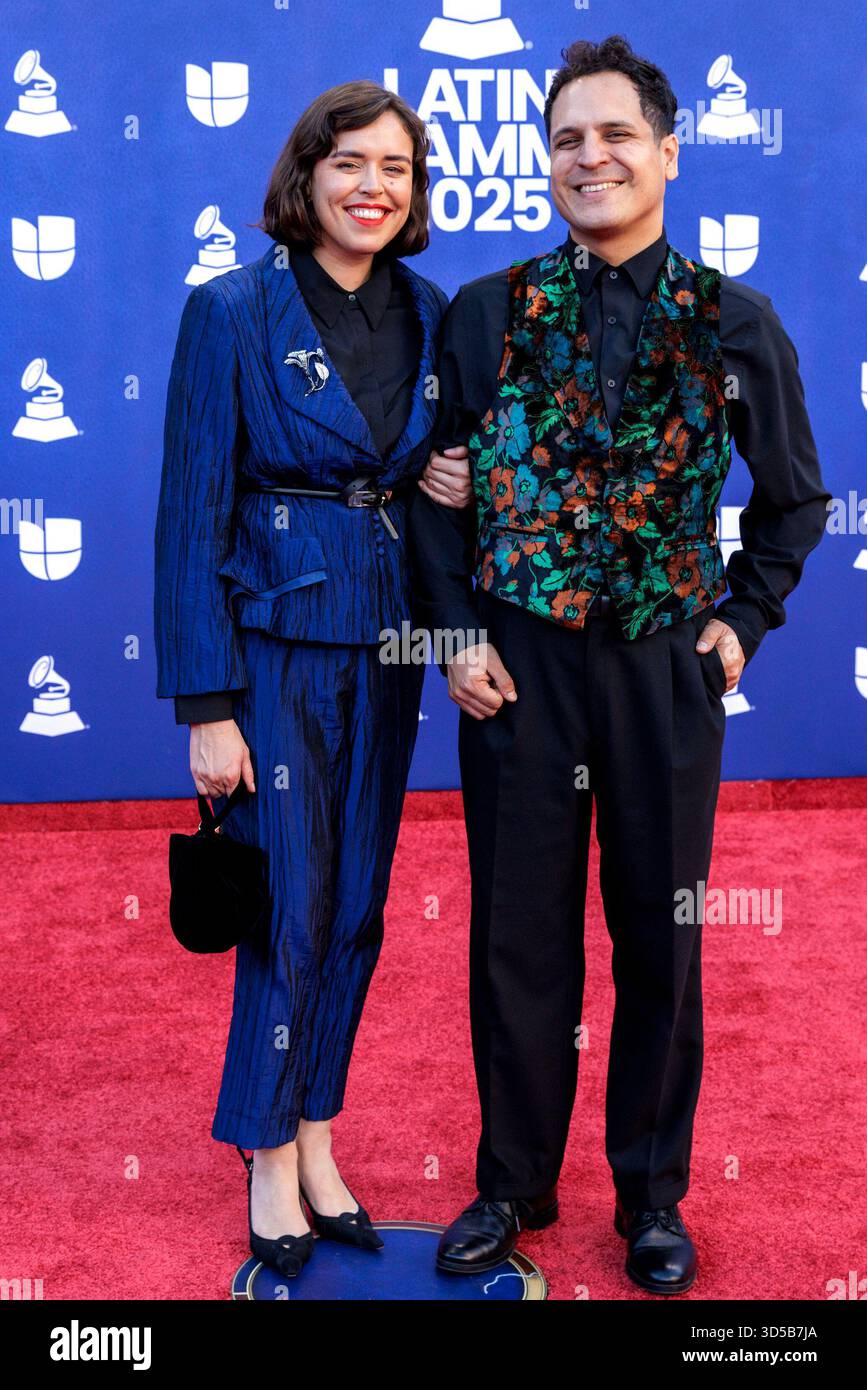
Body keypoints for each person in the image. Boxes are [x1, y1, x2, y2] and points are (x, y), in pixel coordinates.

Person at [409, 34, 831, 1294]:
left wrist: (742, 622)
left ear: (667, 153)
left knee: (663, 935)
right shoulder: (485, 313)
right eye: (568, 140)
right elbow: (434, 497)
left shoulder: (736, 319)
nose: (590, 157)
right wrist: (453, 633)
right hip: (518, 671)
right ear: (546, 163)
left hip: (663, 671)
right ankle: (514, 1183)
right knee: (518, 937)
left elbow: (797, 501)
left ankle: (653, 1195)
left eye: (615, 136)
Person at [153, 80, 470, 1281]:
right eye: (349, 164)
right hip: (273, 644)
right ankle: (266, 1150)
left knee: (357, 909)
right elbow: (190, 514)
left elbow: (452, 470)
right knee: (286, 911)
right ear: (307, 176)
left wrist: (458, 485)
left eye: (396, 166)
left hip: (387, 647)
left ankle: (321, 1131)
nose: (372, 186)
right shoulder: (230, 309)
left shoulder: (434, 312)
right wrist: (207, 706)